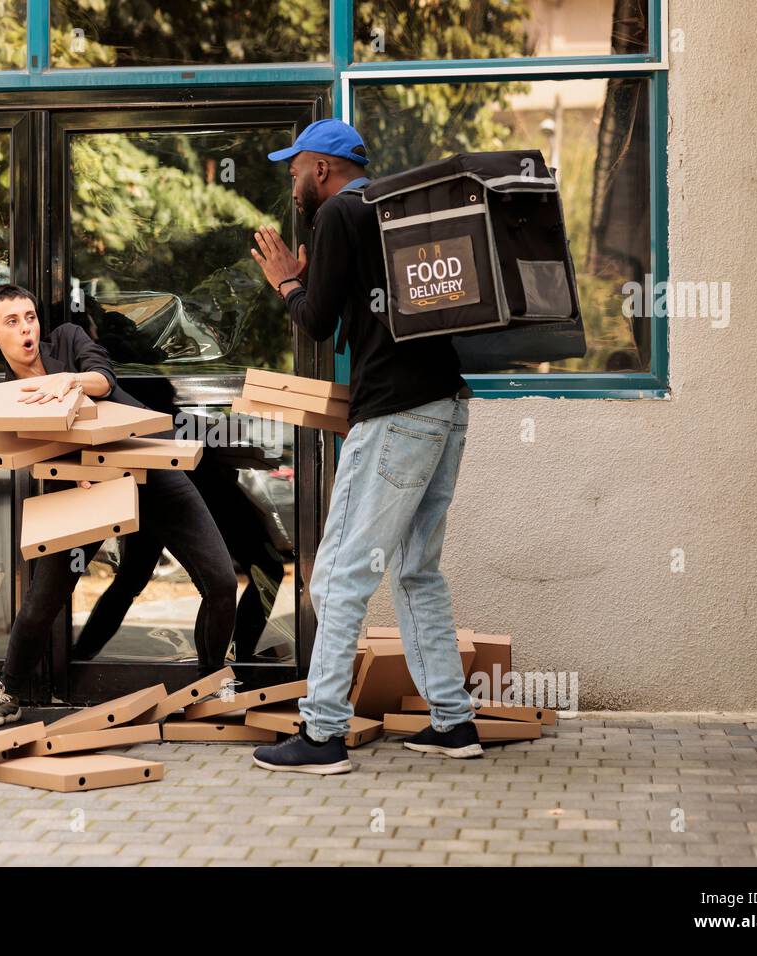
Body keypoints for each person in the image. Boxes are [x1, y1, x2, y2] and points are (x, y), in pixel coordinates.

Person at [247, 119, 479, 774]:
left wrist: (290, 282)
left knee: (340, 574)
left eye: (295, 167)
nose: (292, 179)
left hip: (396, 415)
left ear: (321, 168)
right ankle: (454, 723)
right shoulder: (391, 210)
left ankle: (322, 734)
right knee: (415, 570)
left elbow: (317, 322)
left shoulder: (340, 215)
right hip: (446, 406)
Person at [0, 284, 239, 728]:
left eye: (30, 317)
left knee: (221, 580)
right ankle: (10, 692)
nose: (26, 328)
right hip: (81, 491)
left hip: (146, 471)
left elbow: (104, 379)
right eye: (12, 321)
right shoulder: (5, 398)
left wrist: (67, 380)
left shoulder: (69, 340)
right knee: (42, 601)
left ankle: (212, 681)